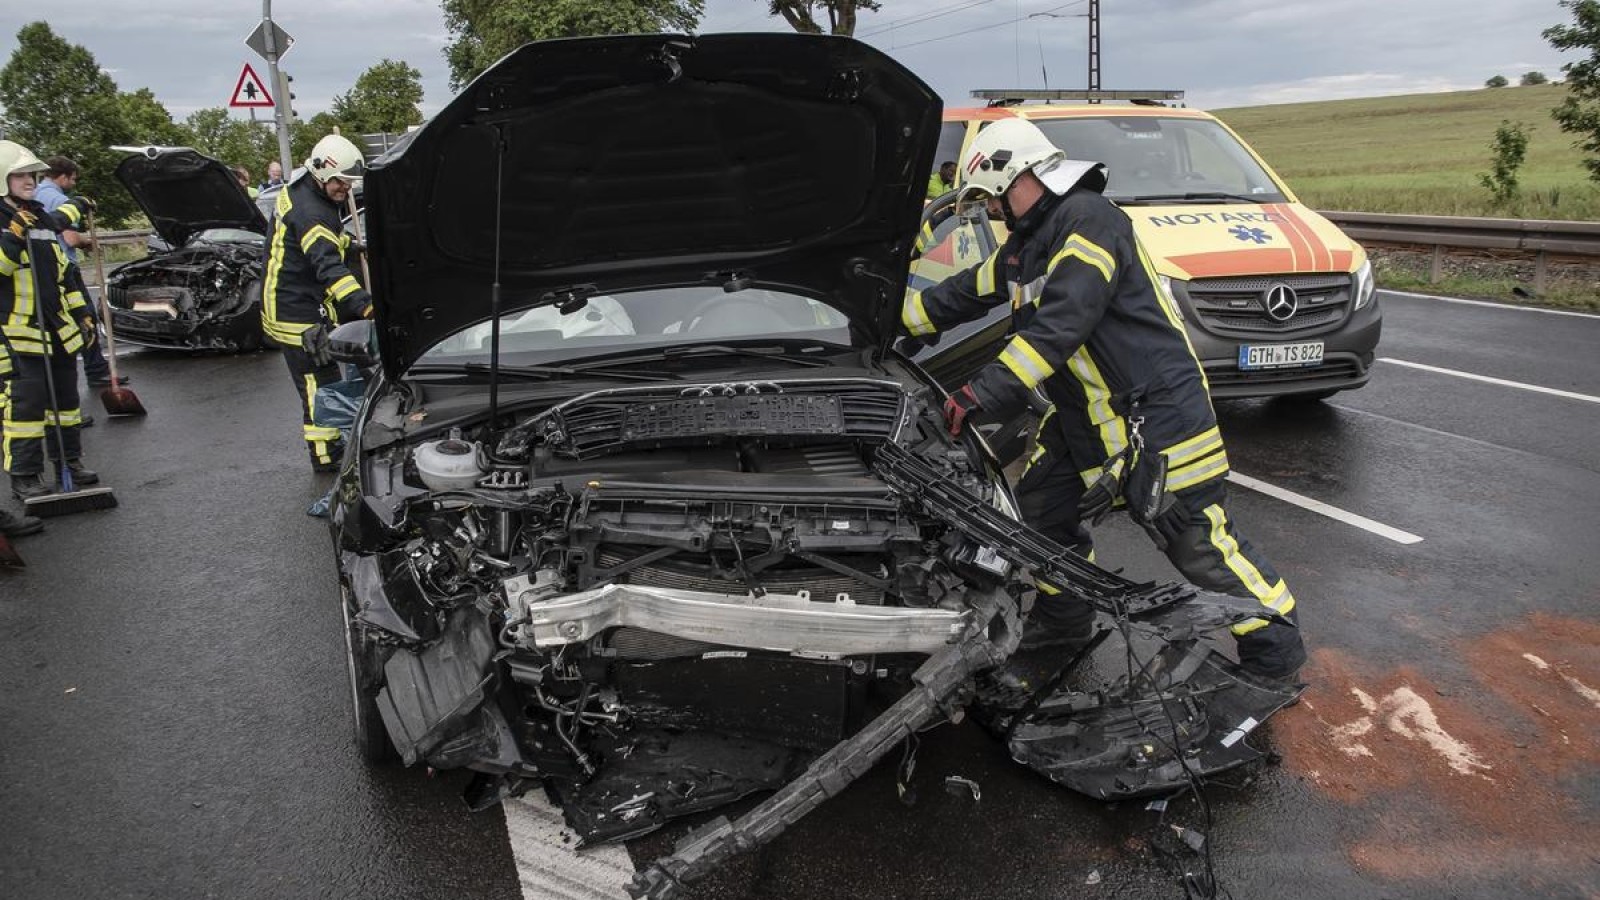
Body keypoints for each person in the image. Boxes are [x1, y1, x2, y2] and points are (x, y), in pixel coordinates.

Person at [900, 120, 1305, 683]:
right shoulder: (1028, 246)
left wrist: (979, 393)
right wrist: (890, 321)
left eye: (995, 197)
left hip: (1157, 414)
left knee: (1196, 540)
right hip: (1085, 415)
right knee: (1041, 514)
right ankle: (1065, 618)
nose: (994, 211)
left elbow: (1063, 323)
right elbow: (962, 293)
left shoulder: (1089, 220)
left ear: (1019, 177)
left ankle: (1275, 649)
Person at [260, 134, 373, 472]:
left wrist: (354, 246)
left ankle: (330, 444)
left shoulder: (307, 192)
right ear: (323, 172)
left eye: (350, 183)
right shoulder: (311, 212)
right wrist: (364, 304)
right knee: (316, 382)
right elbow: (328, 267)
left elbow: (328, 242)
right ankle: (324, 457)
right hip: (294, 310)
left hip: (294, 300)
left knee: (322, 376)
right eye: (341, 182)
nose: (346, 189)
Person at [0, 140, 99, 503]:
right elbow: (2, 268)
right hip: (15, 331)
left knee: (67, 402)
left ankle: (69, 463)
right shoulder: (6, 220)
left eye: (33, 174)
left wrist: (83, 314)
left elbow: (63, 271)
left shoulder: (38, 215)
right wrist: (13, 236)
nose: (30, 181)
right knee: (25, 407)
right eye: (21, 175)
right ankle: (26, 476)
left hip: (56, 329)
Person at [36, 156, 120, 391]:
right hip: (66, 268)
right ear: (62, 177)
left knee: (57, 323)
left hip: (44, 269)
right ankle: (96, 371)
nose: (73, 183)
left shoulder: (33, 196)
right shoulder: (60, 201)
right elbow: (70, 238)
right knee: (85, 317)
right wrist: (88, 243)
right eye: (72, 179)